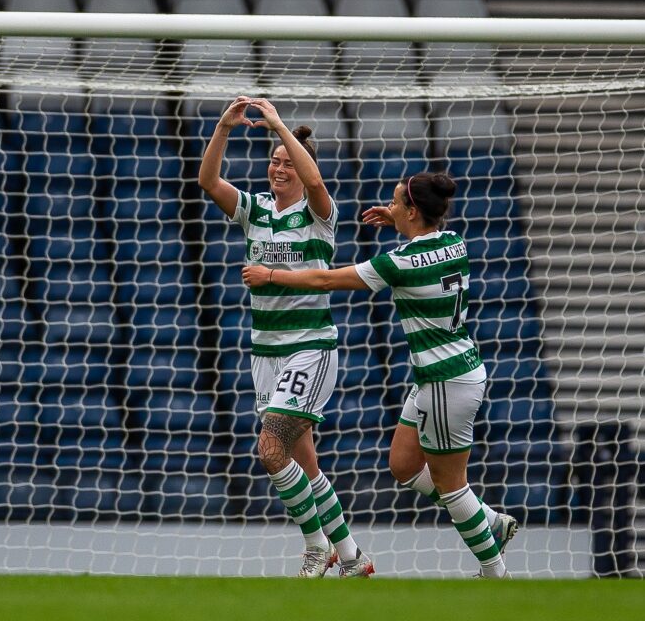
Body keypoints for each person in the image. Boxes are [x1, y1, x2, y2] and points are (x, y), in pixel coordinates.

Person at [243, 172, 516, 578]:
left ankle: (495, 572)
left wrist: (271, 275)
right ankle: (488, 519)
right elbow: (423, 245)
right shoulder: (454, 241)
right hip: (447, 372)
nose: (387, 208)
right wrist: (398, 221)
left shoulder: (398, 263)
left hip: (445, 380)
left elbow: (326, 278)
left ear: (413, 210)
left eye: (394, 203)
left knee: (451, 485)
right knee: (403, 465)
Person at [199, 96, 372, 578]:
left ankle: (316, 547)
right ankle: (353, 557)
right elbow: (208, 181)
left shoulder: (319, 213)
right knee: (306, 465)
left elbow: (314, 181)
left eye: (286, 162)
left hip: (309, 348)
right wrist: (224, 127)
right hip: (265, 352)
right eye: (274, 161)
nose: (278, 168)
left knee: (270, 450)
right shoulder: (255, 210)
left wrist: (277, 125)